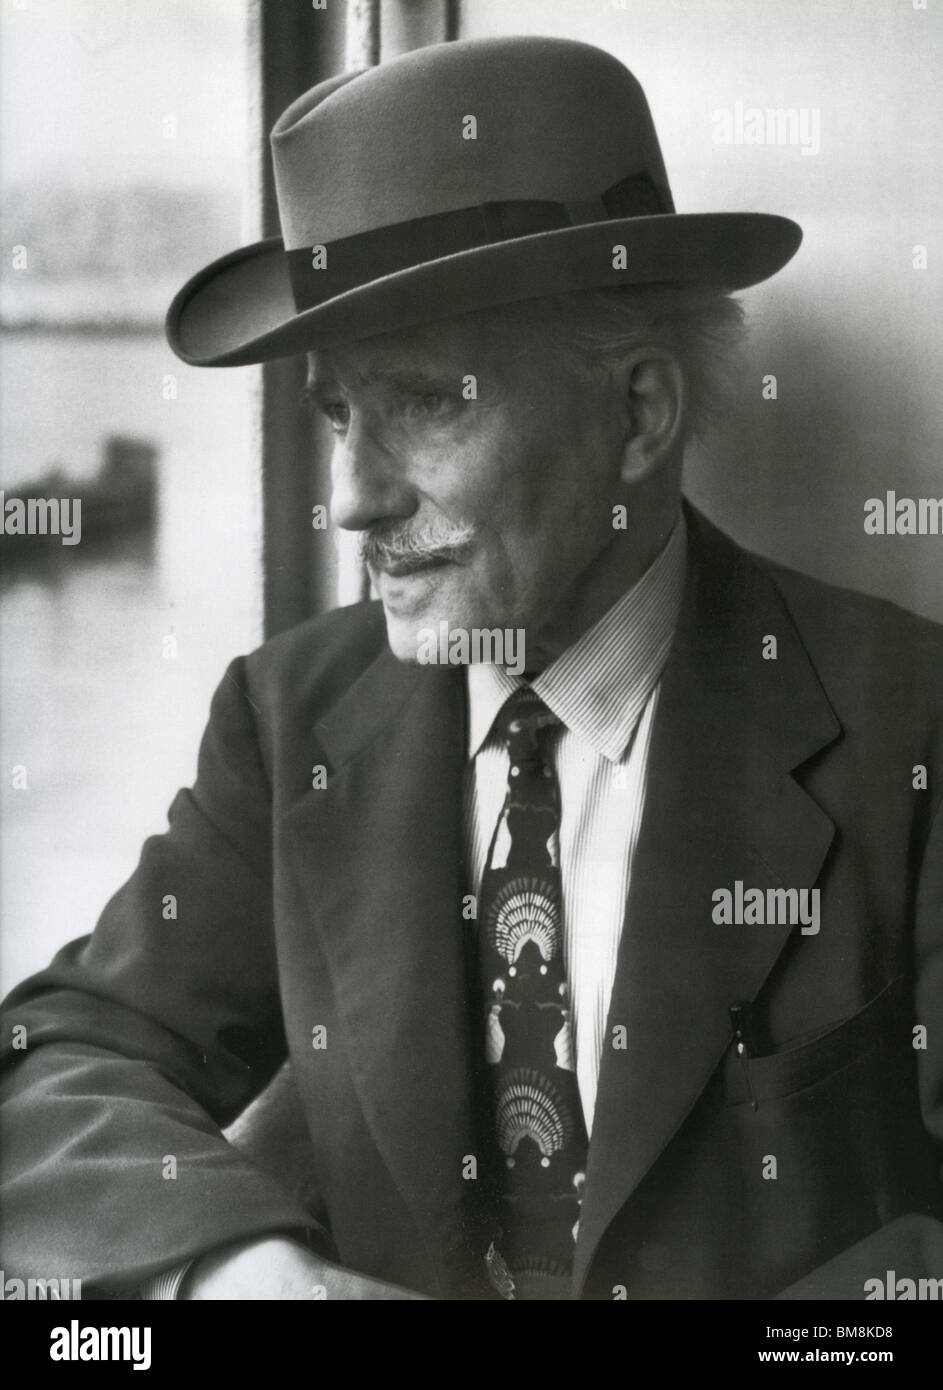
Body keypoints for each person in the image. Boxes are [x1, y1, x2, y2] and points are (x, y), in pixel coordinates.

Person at [1, 35, 941, 1303]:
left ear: (638, 413)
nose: (350, 499)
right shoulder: (290, 723)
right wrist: (250, 1274)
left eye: (427, 402)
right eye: (337, 413)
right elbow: (57, 1050)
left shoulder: (907, 727)